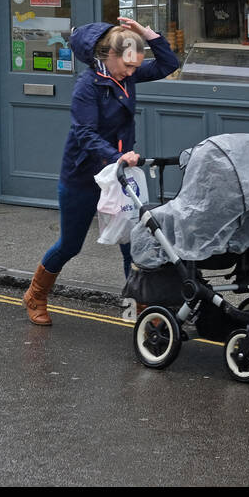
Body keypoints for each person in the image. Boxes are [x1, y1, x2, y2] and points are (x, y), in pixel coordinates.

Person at [22, 17, 179, 326]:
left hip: (120, 176)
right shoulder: (87, 86)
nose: (133, 73)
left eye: (136, 67)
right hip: (83, 175)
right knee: (70, 245)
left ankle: (142, 311)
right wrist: (117, 156)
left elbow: (167, 64)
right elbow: (85, 134)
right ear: (109, 56)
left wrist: (146, 34)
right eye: (129, 66)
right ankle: (35, 295)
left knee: (131, 244)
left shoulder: (127, 76)